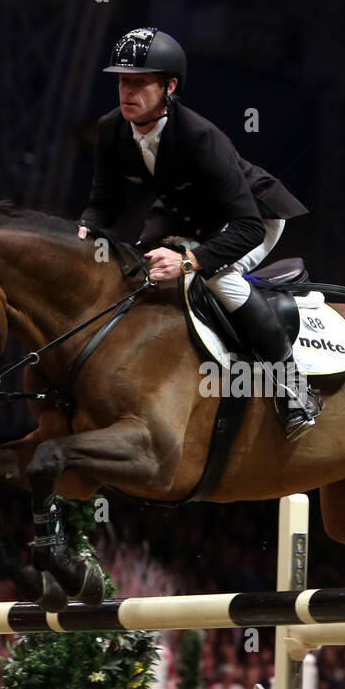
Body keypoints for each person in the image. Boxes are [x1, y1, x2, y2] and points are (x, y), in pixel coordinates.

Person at [77, 27, 321, 440]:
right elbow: (104, 199)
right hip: (186, 215)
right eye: (122, 80)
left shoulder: (200, 137)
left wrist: (190, 260)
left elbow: (244, 226)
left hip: (252, 218)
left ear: (169, 87)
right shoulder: (110, 128)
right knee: (135, 269)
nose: (127, 91)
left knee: (219, 279)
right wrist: (86, 230)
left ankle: (296, 389)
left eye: (140, 82)